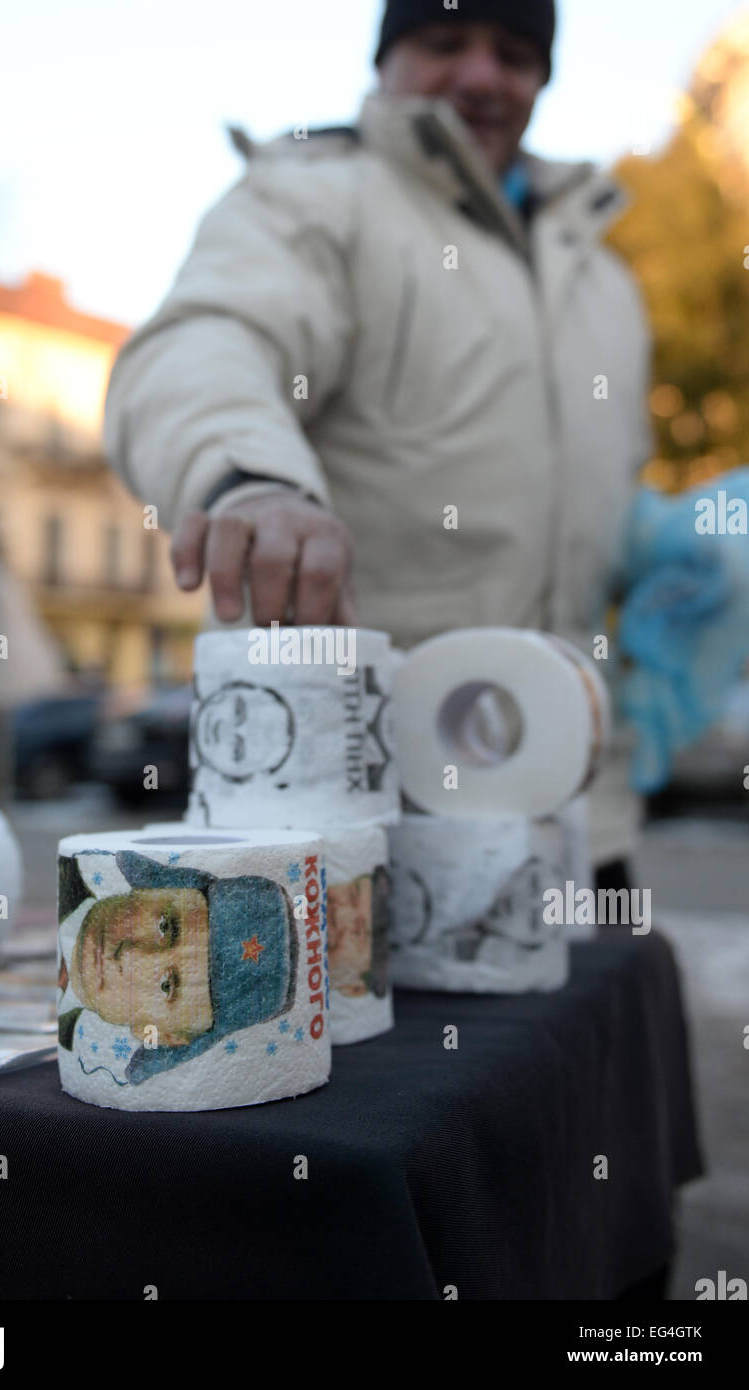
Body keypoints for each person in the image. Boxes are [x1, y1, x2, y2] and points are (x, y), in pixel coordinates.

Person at [104, 0, 653, 890]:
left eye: (513, 54)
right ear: (385, 58)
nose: (479, 76)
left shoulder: (605, 276)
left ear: (541, 78)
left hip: (585, 822)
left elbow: (600, 503)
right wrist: (250, 481)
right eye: (444, 43)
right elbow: (203, 342)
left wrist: (678, 559)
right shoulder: (307, 197)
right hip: (366, 827)